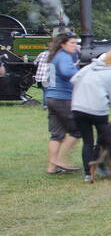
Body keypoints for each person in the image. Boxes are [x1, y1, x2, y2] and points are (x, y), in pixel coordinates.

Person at [70, 48, 111, 182]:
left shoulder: (91, 67)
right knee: (106, 140)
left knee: (87, 141)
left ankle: (88, 174)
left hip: (78, 107)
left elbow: (73, 79)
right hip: (98, 109)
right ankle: (102, 165)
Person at [43, 33, 81, 174]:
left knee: (56, 134)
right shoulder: (64, 56)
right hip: (63, 98)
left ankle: (52, 167)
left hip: (51, 97)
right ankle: (61, 160)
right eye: (72, 43)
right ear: (63, 44)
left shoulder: (54, 57)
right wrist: (78, 71)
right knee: (77, 131)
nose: (75, 45)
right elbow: (67, 72)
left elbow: (50, 79)